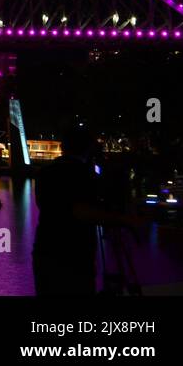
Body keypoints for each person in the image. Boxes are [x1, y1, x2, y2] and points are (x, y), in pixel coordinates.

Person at [32, 123, 107, 295]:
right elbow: (85, 211)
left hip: (45, 251)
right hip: (77, 254)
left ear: (62, 146)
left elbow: (42, 204)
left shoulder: (44, 173)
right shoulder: (86, 175)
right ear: (89, 148)